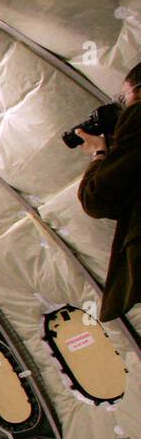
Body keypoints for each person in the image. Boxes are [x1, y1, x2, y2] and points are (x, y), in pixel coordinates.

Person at [77, 62, 141, 322]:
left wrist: (100, 154)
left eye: (124, 98)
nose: (124, 107)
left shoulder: (137, 116)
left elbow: (98, 199)